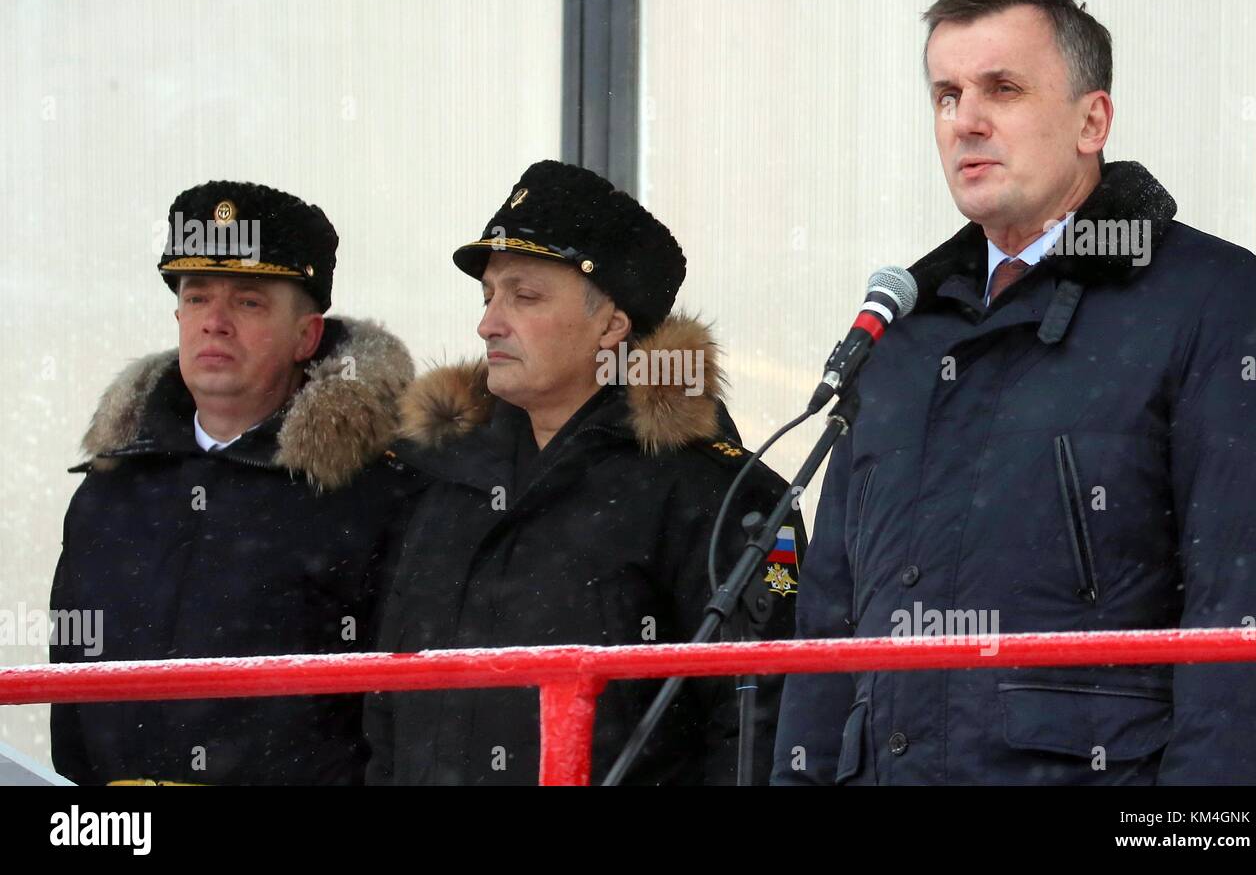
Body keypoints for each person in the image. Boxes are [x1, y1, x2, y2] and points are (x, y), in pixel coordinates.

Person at [774, 0, 1256, 785]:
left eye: (1003, 89)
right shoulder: (901, 331)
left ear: (1093, 119)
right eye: (946, 94)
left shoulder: (1214, 302)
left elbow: (1246, 617)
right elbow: (828, 624)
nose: (966, 121)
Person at [364, 160, 803, 785]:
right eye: (489, 294)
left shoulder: (719, 494)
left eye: (525, 295)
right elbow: (387, 698)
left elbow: (757, 717)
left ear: (612, 323)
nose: (488, 322)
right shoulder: (439, 473)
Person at [50, 181, 417, 785]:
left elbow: (401, 709)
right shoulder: (108, 491)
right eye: (197, 300)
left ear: (308, 336)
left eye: (248, 302)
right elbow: (71, 693)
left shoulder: (378, 494)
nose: (214, 323)